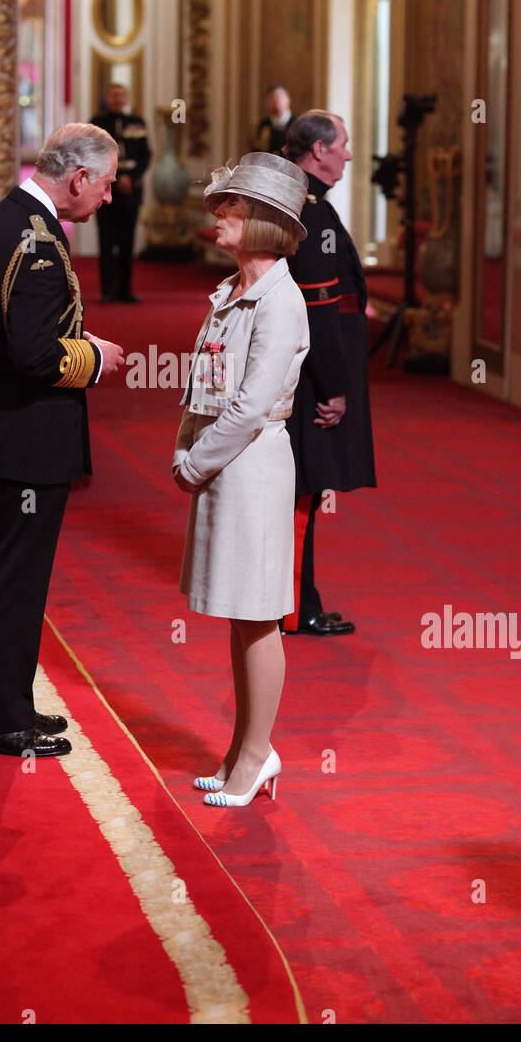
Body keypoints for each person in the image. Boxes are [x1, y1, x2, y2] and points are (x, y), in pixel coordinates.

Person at [0, 125, 124, 758]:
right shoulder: (36, 239)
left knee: (19, 578)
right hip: (23, 437)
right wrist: (97, 358)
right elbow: (32, 355)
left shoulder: (13, 219)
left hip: (10, 433)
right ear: (80, 178)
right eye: (105, 185)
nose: (107, 198)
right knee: (15, 581)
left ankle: (12, 704)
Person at [172, 152, 310, 807]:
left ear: (262, 222)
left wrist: (194, 462)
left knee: (258, 617)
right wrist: (187, 449)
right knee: (239, 615)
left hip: (250, 467)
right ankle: (239, 750)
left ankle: (258, 755)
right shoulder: (232, 290)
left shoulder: (280, 300)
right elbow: (204, 389)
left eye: (231, 205)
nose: (219, 215)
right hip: (225, 465)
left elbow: (252, 406)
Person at [282, 111, 377, 636]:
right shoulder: (311, 211)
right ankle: (297, 607)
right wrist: (336, 387)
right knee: (305, 490)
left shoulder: (296, 198)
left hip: (302, 369)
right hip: (313, 378)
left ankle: (304, 599)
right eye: (342, 144)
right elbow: (320, 308)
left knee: (306, 491)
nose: (347, 153)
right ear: (317, 150)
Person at [91, 83, 151, 303]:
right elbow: (93, 155)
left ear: (126, 99)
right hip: (106, 192)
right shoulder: (97, 124)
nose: (118, 100)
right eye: (114, 96)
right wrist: (113, 179)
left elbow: (145, 155)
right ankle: (106, 290)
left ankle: (125, 289)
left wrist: (131, 178)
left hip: (131, 193)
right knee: (106, 242)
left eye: (121, 96)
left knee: (127, 242)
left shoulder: (137, 123)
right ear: (108, 98)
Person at [252, 85, 295, 157]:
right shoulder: (263, 125)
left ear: (288, 99)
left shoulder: (297, 123)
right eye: (272, 98)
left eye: (279, 97)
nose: (276, 100)